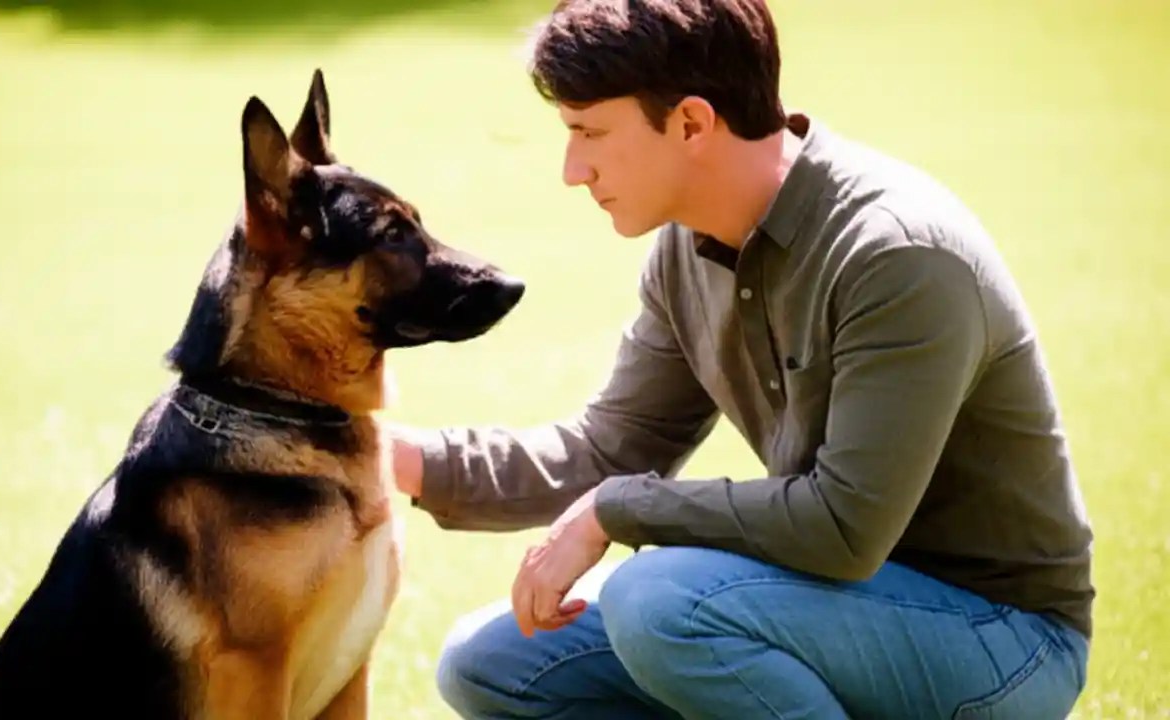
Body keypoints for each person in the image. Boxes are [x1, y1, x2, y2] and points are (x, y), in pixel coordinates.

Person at [390, 0, 1094, 717]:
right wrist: (394, 456)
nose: (574, 170)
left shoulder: (896, 254)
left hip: (1003, 639)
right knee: (491, 663)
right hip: (813, 605)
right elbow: (610, 448)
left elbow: (842, 528)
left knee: (658, 604)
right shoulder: (686, 248)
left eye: (590, 132)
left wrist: (616, 509)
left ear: (692, 123)